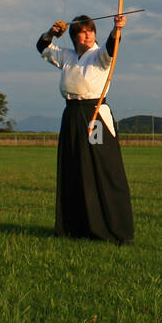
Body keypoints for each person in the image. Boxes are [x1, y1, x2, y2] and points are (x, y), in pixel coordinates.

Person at [37, 15, 134, 245]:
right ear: (74, 35)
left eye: (91, 30)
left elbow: (111, 48)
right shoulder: (67, 56)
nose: (89, 35)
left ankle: (116, 229)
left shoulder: (99, 55)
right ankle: (77, 227)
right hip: (71, 115)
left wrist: (116, 29)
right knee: (74, 168)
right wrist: (51, 33)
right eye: (83, 31)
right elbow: (41, 46)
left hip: (95, 117)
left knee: (102, 168)